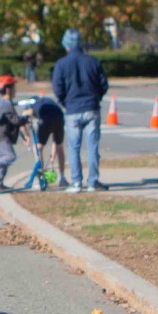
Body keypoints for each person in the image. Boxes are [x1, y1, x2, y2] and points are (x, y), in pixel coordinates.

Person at [51, 28, 109, 193]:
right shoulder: (93, 62)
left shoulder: (61, 64)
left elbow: (58, 88)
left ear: (66, 45)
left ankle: (76, 182)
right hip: (91, 107)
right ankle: (93, 181)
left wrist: (65, 102)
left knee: (74, 147)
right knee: (92, 147)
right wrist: (96, 98)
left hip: (72, 109)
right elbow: (103, 85)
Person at [0, 74, 26, 188]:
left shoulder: (6, 103)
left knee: (3, 162)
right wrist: (26, 118)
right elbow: (15, 120)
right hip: (1, 136)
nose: (15, 90)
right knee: (10, 156)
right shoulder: (6, 104)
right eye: (13, 87)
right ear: (8, 89)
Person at [32, 94, 68, 189]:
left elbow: (26, 118)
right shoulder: (48, 100)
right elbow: (55, 139)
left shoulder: (32, 105)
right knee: (59, 146)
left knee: (38, 148)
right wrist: (53, 153)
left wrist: (26, 137)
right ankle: (62, 177)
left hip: (45, 119)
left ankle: (41, 178)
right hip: (59, 117)